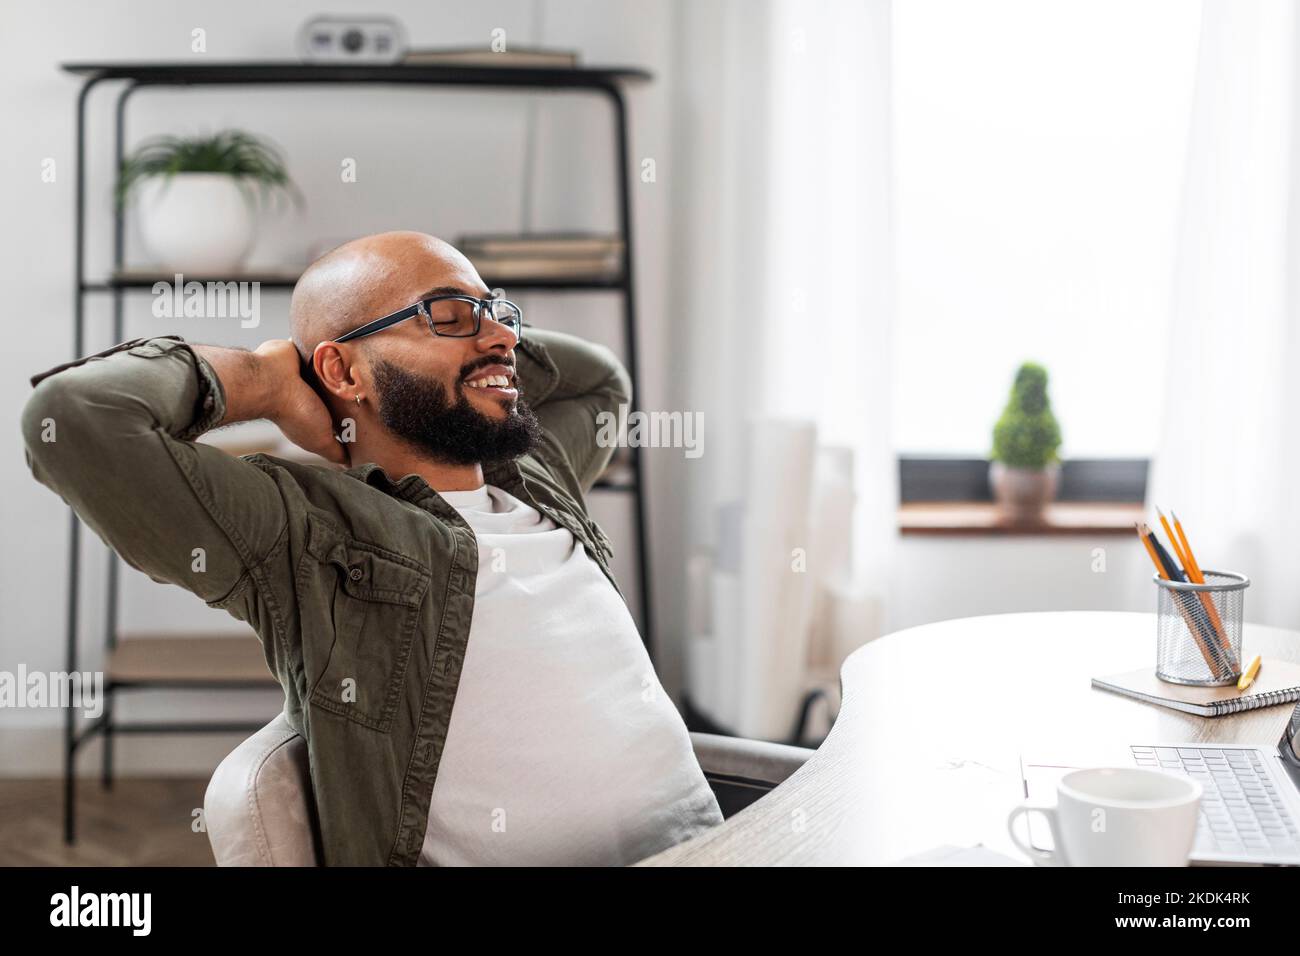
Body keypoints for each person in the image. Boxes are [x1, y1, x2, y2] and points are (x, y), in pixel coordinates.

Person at [22, 231, 722, 866]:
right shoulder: (313, 529)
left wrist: (473, 342)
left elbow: (600, 380)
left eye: (499, 312)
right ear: (343, 371)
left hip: (729, 842)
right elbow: (73, 417)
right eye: (446, 313)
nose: (505, 338)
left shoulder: (539, 477)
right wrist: (266, 381)